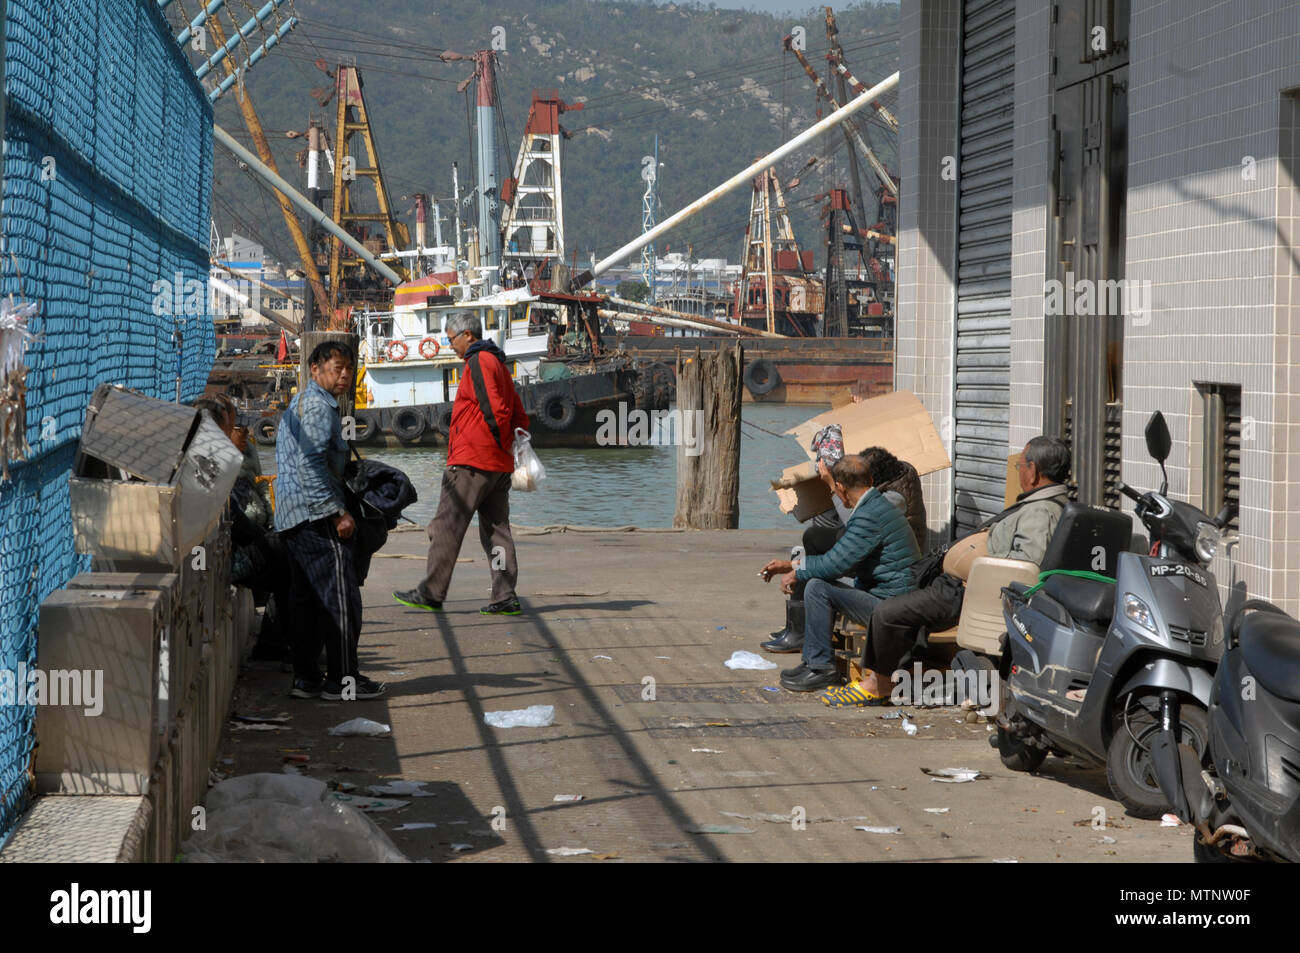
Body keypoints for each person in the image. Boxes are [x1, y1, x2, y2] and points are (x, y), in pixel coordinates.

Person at [823, 435, 1071, 707]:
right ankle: (897, 674)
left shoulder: (1041, 512)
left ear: (1033, 471)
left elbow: (1025, 569)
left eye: (1020, 466)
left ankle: (877, 685)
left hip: (964, 589)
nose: (1019, 471)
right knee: (900, 602)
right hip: (953, 583)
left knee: (887, 612)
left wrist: (977, 564)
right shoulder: (1038, 504)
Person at [394, 310, 529, 615]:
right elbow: (519, 414)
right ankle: (504, 595)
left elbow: (494, 410)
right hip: (498, 464)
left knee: (446, 526)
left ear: (468, 335)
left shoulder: (479, 361)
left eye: (451, 339)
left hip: (472, 461)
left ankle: (431, 591)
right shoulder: (498, 363)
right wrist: (505, 448)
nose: (450, 345)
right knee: (496, 531)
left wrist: (489, 441)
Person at [275, 341, 385, 700]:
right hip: (314, 516)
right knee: (340, 597)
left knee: (306, 599)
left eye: (348, 369)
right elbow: (311, 464)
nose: (344, 375)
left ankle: (306, 679)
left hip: (292, 517)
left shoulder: (302, 403)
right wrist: (337, 512)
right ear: (315, 368)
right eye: (337, 368)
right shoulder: (320, 408)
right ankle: (342, 681)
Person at [759, 454, 920, 692]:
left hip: (892, 607)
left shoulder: (869, 515)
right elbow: (844, 560)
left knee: (817, 587)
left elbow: (834, 564)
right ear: (871, 479)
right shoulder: (875, 505)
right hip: (893, 598)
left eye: (836, 489)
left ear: (841, 488)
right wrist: (795, 567)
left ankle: (821, 668)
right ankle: (812, 661)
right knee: (816, 578)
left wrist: (792, 568)